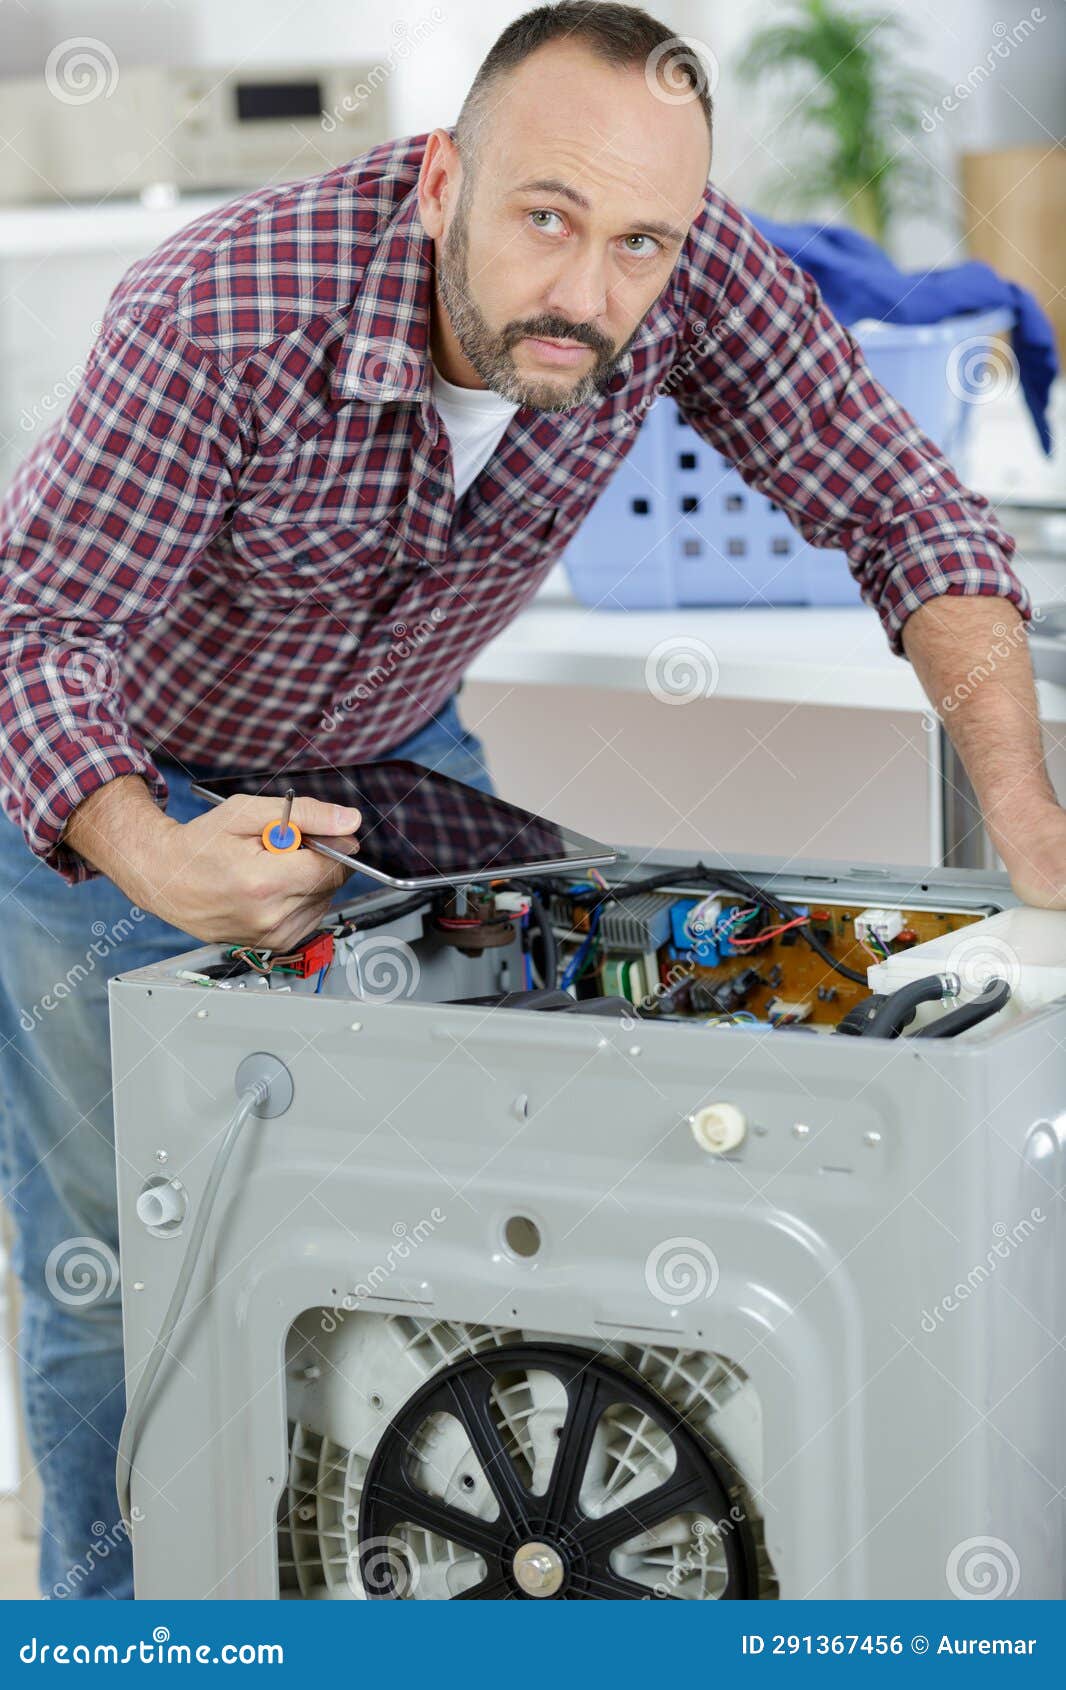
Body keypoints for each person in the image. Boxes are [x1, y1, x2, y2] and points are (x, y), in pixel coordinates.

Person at [0, 2, 1057, 1599]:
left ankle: (388, 1594)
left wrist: (1028, 821)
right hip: (116, 779)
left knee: (462, 1194)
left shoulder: (683, 271)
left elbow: (895, 498)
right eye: (543, 219)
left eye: (639, 243)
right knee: (124, 1265)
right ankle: (117, 1626)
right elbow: (38, 632)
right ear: (441, 183)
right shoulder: (220, 309)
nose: (587, 293)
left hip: (393, 755)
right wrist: (147, 850)